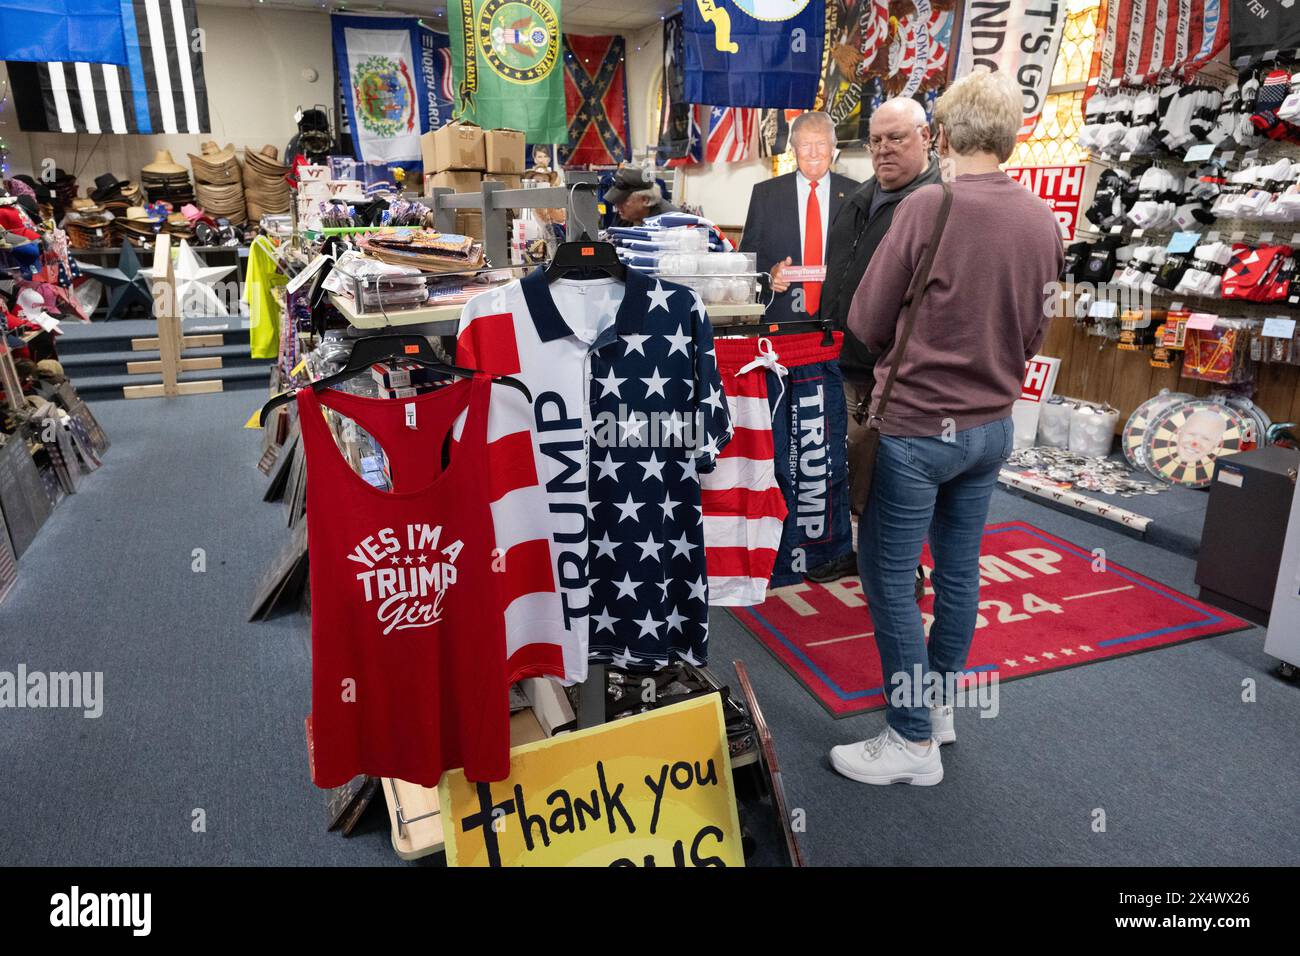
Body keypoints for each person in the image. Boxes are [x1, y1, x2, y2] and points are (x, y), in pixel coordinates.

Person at [831, 70, 1064, 786]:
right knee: (959, 572)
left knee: (889, 579)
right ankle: (934, 708)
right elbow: (1037, 330)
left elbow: (865, 323)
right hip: (993, 426)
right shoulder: (1043, 220)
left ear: (945, 132)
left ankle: (909, 741)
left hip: (918, 430)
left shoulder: (930, 206)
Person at [807, 97, 945, 584]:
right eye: (876, 140)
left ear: (926, 137)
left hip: (896, 370)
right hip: (842, 358)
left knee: (894, 478)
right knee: (849, 465)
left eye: (897, 138)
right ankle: (856, 551)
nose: (884, 149)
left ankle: (903, 570)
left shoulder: (937, 205)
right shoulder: (860, 198)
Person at [739, 111, 860, 324]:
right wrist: (770, 274)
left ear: (833, 148)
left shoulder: (856, 195)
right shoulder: (765, 194)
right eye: (805, 145)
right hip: (782, 320)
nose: (813, 153)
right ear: (794, 150)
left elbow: (864, 257)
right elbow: (747, 260)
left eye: (821, 143)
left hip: (840, 320)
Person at [603, 166, 678, 226]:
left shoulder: (672, 223)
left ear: (645, 200)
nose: (617, 206)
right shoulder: (624, 216)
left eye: (622, 200)